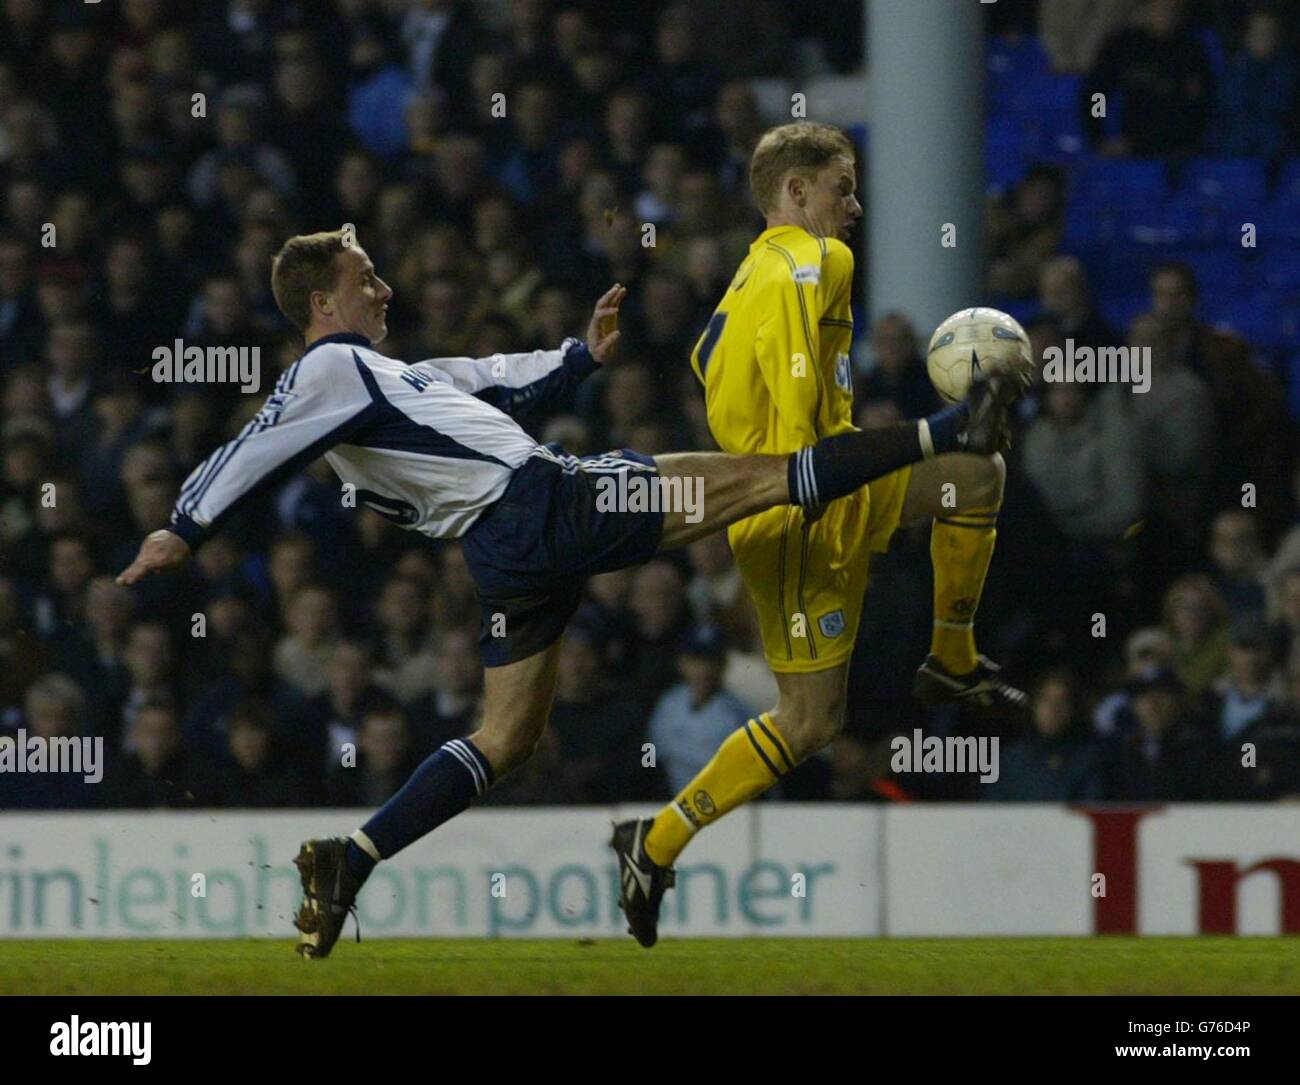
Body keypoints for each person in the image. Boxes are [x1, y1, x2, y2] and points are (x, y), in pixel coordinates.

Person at [116, 227, 1017, 958]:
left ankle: (355, 855)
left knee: (504, 737)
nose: (382, 287)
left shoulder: (392, 378)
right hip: (552, 503)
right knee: (772, 477)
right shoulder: (326, 371)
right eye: (366, 276)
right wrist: (182, 526)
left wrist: (578, 357)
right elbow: (255, 443)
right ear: (322, 301)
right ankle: (949, 427)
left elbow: (489, 377)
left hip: (504, 555)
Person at [611, 123, 1029, 948]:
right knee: (809, 724)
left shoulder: (742, 282)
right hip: (798, 513)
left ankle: (950, 658)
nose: (858, 205)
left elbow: (711, 366)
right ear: (796, 192)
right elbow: (806, 450)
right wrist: (936, 427)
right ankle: (652, 843)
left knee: (980, 476)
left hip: (817, 491)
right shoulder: (814, 261)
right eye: (843, 186)